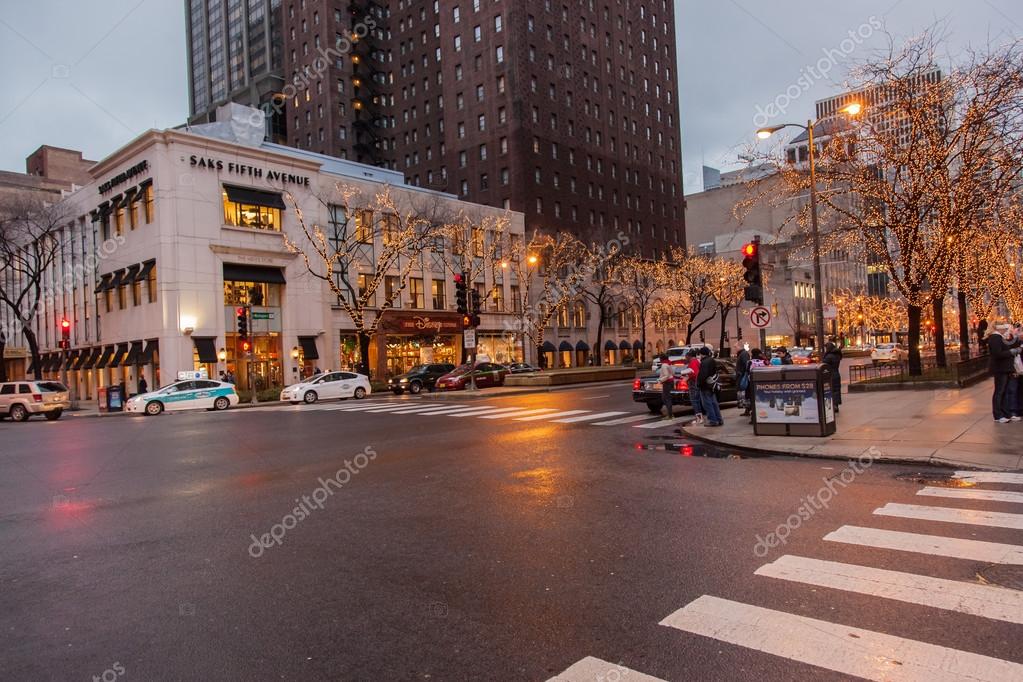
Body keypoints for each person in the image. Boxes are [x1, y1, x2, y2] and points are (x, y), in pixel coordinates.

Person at [987, 324, 1021, 423]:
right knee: (999, 391)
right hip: (1000, 369)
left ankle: (1005, 413)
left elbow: (1009, 345)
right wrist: (1011, 352)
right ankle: (998, 415)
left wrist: (1015, 339)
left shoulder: (1001, 338)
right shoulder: (995, 338)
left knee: (1004, 391)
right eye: (1006, 328)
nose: (1007, 330)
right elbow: (997, 353)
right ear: (1000, 328)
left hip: (1005, 368)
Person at [696, 346, 724, 427]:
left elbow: (703, 375)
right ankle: (719, 419)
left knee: (707, 404)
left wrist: (699, 384)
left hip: (705, 386)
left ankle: (713, 420)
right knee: (714, 403)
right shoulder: (711, 360)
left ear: (702, 354)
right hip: (712, 385)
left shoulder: (704, 362)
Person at [682, 349, 704, 425]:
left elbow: (694, 373)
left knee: (695, 401)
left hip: (693, 384)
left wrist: (687, 377)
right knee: (697, 401)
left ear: (689, 356)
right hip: (697, 383)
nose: (685, 358)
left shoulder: (692, 362)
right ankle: (699, 417)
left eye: (686, 357)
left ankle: (699, 418)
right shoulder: (697, 361)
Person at [822, 342, 843, 414]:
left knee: (831, 390)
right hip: (836, 374)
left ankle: (832, 406)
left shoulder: (829, 356)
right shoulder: (837, 355)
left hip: (830, 375)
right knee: (836, 390)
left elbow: (823, 365)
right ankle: (836, 405)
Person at [656, 354, 674, 420]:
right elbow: (673, 373)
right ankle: (670, 414)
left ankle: (670, 415)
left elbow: (666, 375)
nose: (659, 360)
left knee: (666, 398)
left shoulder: (664, 365)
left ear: (662, 359)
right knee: (666, 398)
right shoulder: (669, 364)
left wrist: (660, 380)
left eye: (660, 358)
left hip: (667, 382)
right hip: (670, 382)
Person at [735, 344, 751, 415]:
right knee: (744, 394)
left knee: (745, 394)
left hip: (742, 377)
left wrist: (741, 373)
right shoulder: (742, 354)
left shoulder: (743, 354)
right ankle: (747, 409)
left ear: (739, 347)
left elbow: (746, 364)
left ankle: (748, 409)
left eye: (735, 347)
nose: (735, 348)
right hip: (742, 376)